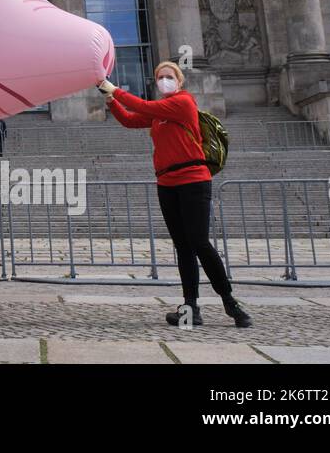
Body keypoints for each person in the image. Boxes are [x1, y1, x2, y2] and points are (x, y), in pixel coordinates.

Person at [100, 63, 253, 329]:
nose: (164, 81)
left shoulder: (183, 102)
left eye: (169, 77)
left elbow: (143, 107)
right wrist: (110, 98)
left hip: (193, 179)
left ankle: (230, 302)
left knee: (199, 242)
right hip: (167, 182)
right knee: (183, 246)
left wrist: (115, 88)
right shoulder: (160, 114)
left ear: (179, 81)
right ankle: (190, 308)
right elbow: (129, 120)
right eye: (160, 77)